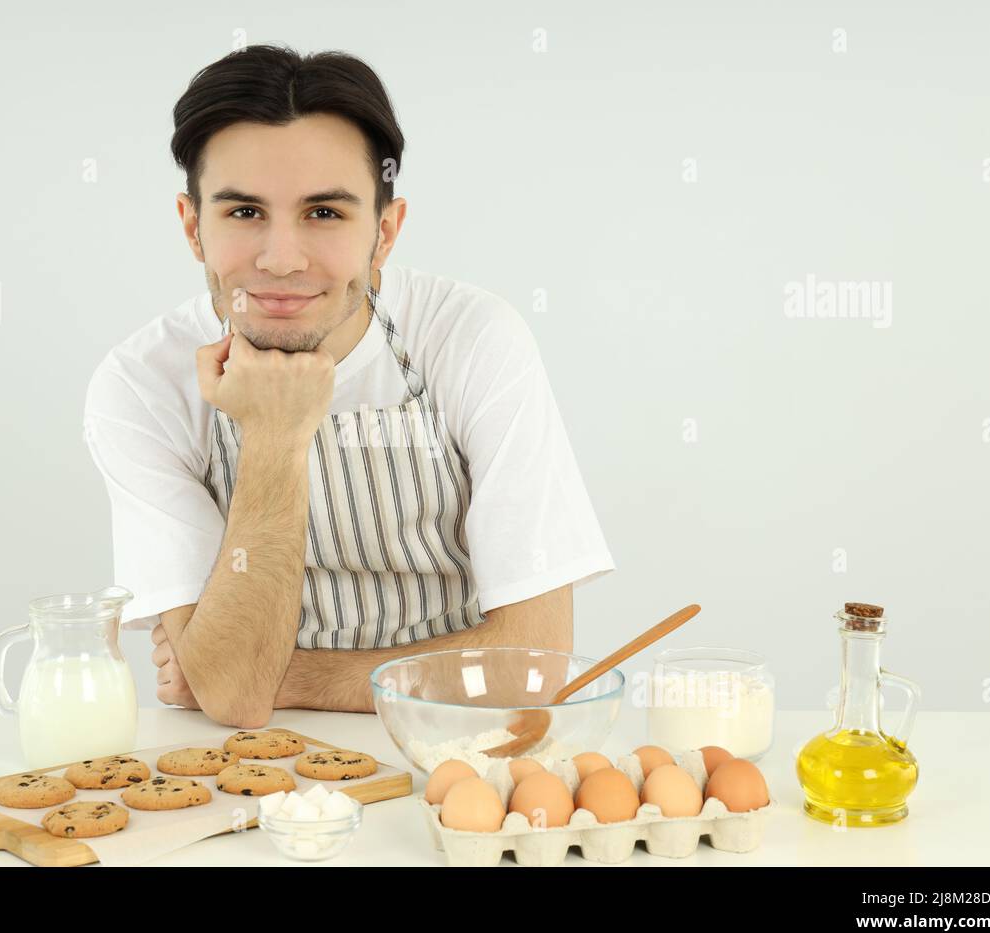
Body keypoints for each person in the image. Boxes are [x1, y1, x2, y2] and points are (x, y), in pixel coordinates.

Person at [83, 44, 613, 727]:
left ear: (384, 232)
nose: (280, 258)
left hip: (458, 744)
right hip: (246, 766)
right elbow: (238, 703)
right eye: (244, 213)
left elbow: (529, 662)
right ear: (193, 227)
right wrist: (275, 434)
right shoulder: (141, 385)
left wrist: (272, 673)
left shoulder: (474, 340)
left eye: (324, 214)